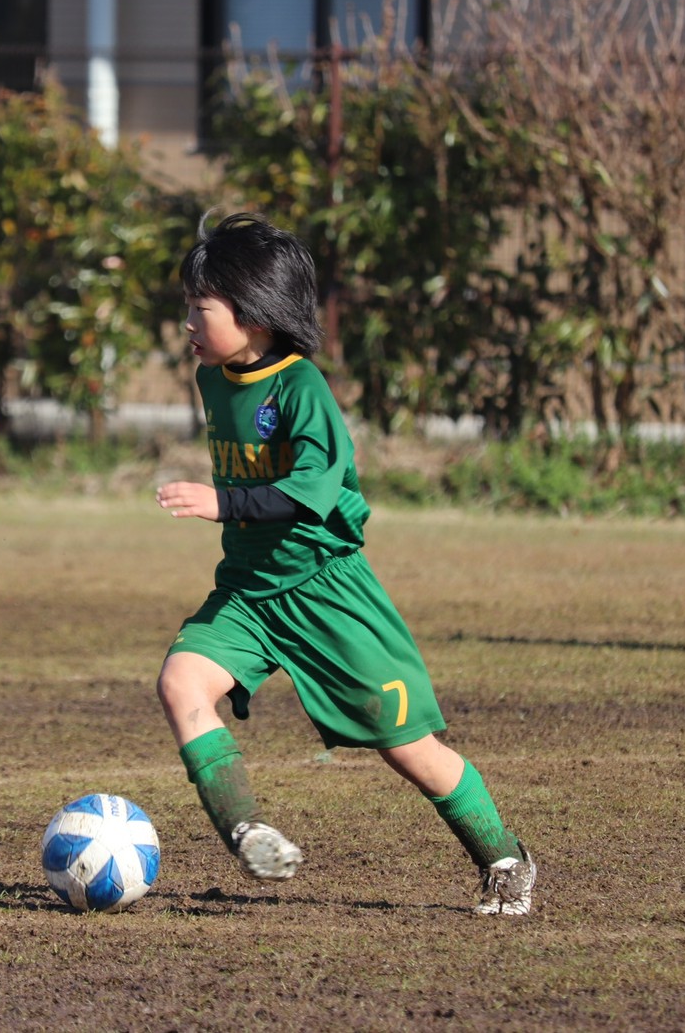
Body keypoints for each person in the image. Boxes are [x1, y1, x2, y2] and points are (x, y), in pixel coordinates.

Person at [153, 213, 536, 916]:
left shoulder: (303, 391)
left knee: (407, 746)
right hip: (248, 591)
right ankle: (247, 831)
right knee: (180, 682)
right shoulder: (214, 380)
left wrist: (223, 502)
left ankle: (504, 857)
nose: (186, 323)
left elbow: (311, 493)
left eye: (198, 308)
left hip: (325, 591)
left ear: (255, 314)